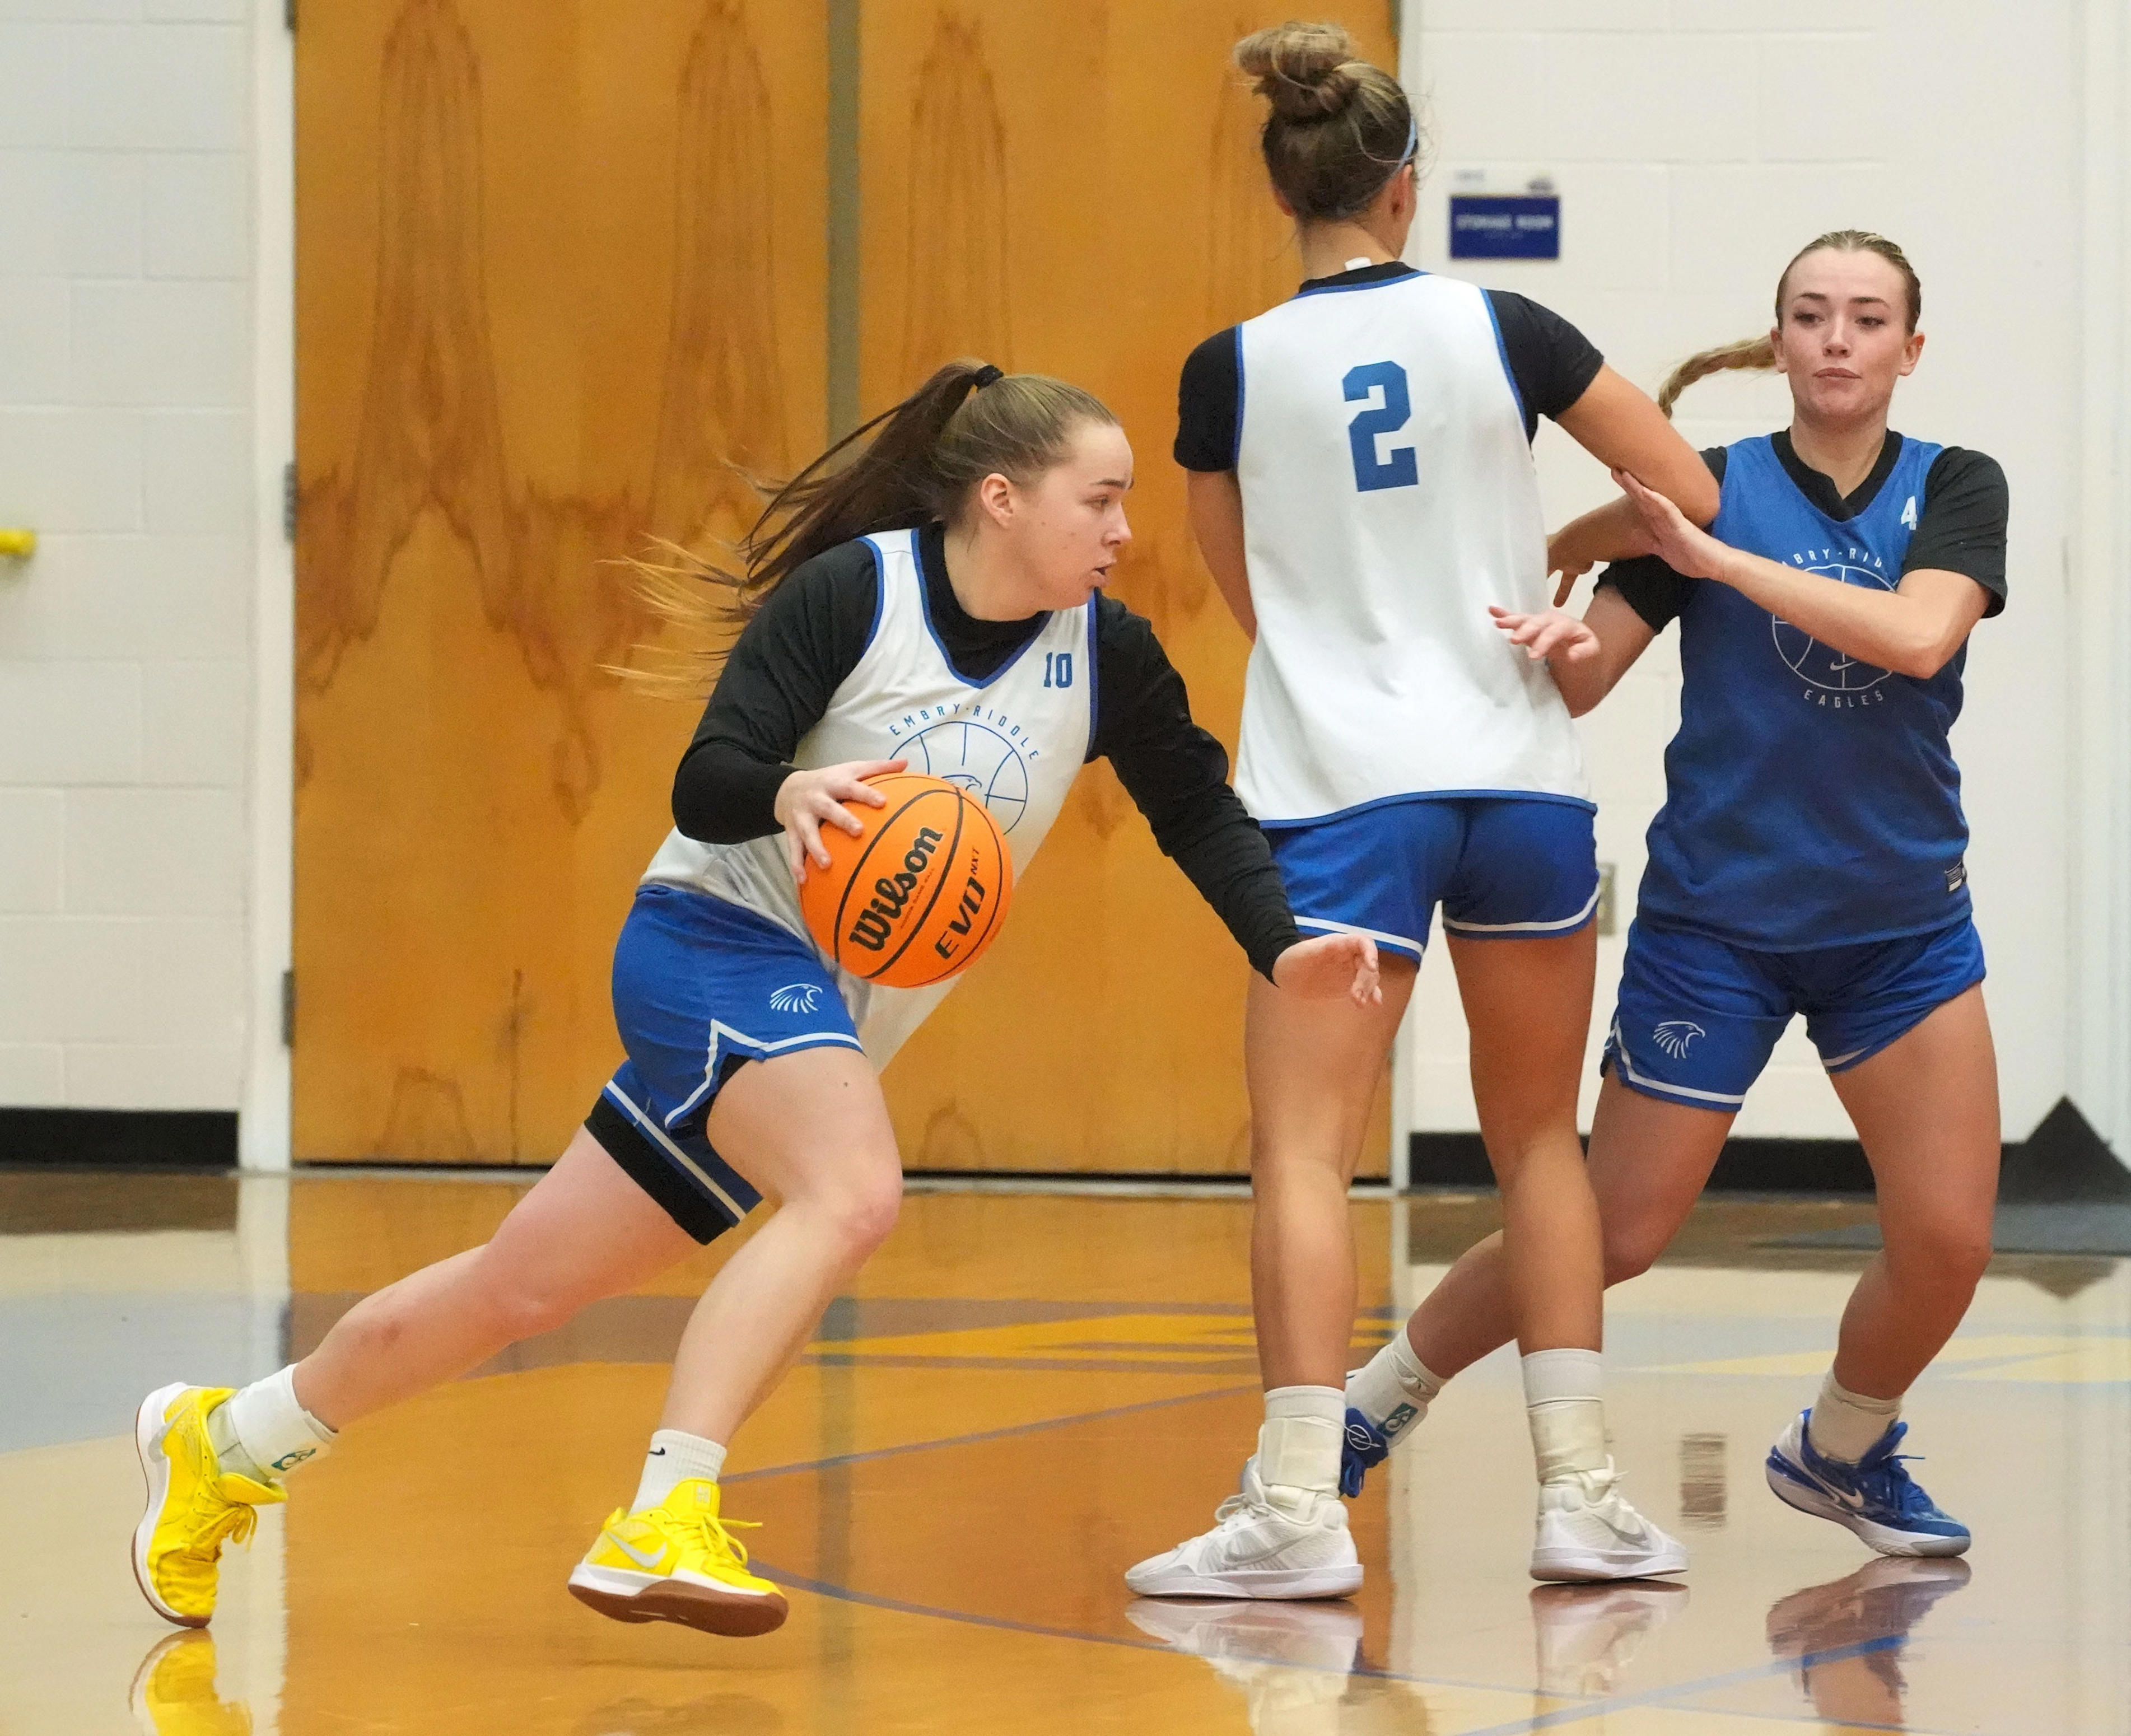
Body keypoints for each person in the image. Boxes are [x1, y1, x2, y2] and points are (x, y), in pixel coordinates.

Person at [131, 361, 1379, 1639]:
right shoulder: (859, 592)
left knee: (520, 1285)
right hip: (710, 939)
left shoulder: (1103, 651)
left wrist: (1278, 944)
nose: (1125, 529)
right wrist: (784, 790)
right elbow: (709, 775)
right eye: (1099, 499)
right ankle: (668, 1507)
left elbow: (1195, 808)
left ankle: (225, 1440)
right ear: (1000, 498)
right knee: (852, 1191)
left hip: (816, 1016)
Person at [1125, 22, 1719, 1599]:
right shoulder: (1503, 325)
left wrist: (1347, 651)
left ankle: (1295, 1509)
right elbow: (1694, 497)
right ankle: (1579, 1495)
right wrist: (1561, 556)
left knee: (1304, 1153)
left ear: (1285, 187)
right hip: (1517, 774)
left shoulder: (1226, 368)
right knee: (1536, 1142)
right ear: (1403, 189)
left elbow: (1242, 587)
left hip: (1337, 788)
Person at [1347, 230, 2007, 1561]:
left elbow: (1920, 632)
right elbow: (1589, 670)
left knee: (1945, 1241)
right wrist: (1555, 633)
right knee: (1614, 1232)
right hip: (1718, 929)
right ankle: (1364, 1408)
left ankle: (1844, 1446)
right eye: (1810, 315)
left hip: (1902, 931)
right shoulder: (1701, 490)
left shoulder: (1955, 485)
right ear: (1778, 343)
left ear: (1907, 349)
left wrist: (1717, 563)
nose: (1835, 338)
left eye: (1865, 318)